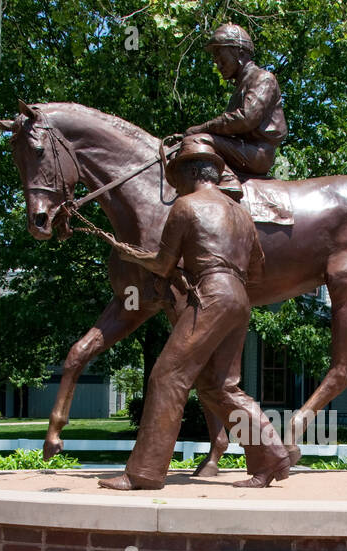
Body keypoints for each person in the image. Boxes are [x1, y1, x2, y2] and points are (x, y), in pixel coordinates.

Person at [92, 135, 291, 491]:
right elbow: (258, 270)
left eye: (177, 177)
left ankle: (144, 473)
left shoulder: (185, 207)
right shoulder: (241, 216)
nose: (175, 185)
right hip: (239, 298)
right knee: (218, 386)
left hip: (212, 297)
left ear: (189, 173)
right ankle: (271, 455)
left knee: (168, 376)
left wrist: (127, 253)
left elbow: (163, 264)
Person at [184, 23, 286, 199]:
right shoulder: (240, 87)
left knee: (200, 139)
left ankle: (229, 180)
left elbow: (246, 118)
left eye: (221, 57)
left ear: (238, 52)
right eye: (215, 59)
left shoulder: (263, 79)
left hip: (258, 153)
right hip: (244, 149)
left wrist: (203, 128)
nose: (218, 64)